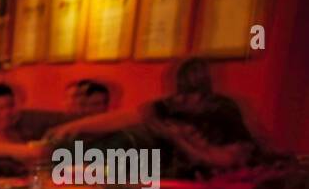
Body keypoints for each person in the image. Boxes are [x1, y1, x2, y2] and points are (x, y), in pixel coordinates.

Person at [47, 58, 256, 178]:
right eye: (179, 92)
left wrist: (182, 142)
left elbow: (231, 159)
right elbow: (126, 117)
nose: (180, 100)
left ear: (204, 92)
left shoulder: (224, 111)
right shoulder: (171, 105)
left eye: (189, 93)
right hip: (171, 182)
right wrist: (71, 128)